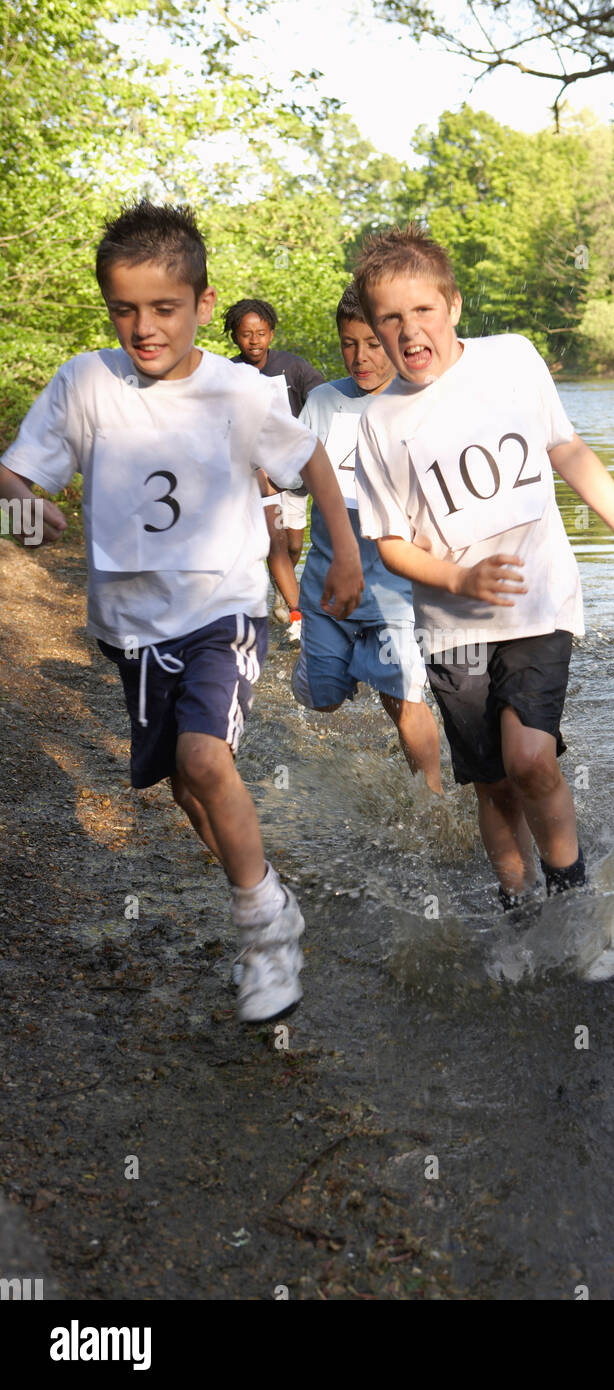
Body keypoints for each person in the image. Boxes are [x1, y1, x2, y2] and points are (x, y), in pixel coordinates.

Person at [0, 201, 364, 1021]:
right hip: (131, 628)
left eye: (164, 308)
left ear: (203, 304)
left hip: (223, 611)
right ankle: (267, 890)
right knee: (184, 785)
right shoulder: (85, 382)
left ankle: (265, 933)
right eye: (124, 309)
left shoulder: (238, 389)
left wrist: (342, 553)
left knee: (205, 761)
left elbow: (311, 460)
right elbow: (16, 475)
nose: (143, 327)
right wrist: (23, 513)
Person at [352, 224, 614, 911]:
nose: (409, 330)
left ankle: (571, 890)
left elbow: (568, 449)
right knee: (493, 783)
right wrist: (456, 578)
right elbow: (392, 545)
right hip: (454, 626)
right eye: (389, 319)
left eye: (422, 310)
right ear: (373, 328)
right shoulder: (380, 422)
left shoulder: (512, 359)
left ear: (453, 306)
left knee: (529, 759)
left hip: (539, 601)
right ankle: (516, 900)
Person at [292, 284, 442, 793]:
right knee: (324, 699)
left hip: (394, 586)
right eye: (348, 344)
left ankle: (434, 799)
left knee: (404, 698)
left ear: (392, 336)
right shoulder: (323, 402)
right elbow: (288, 476)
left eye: (372, 344)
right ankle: (351, 663)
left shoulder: (420, 401)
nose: (360, 357)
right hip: (327, 585)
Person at [224, 298, 324, 637]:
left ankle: (282, 592)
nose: (254, 341)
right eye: (246, 334)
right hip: (255, 468)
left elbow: (322, 398)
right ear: (235, 337)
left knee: (295, 544)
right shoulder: (229, 373)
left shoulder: (293, 368)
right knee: (276, 542)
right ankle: (298, 613)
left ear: (271, 334)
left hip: (294, 467)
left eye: (261, 333)